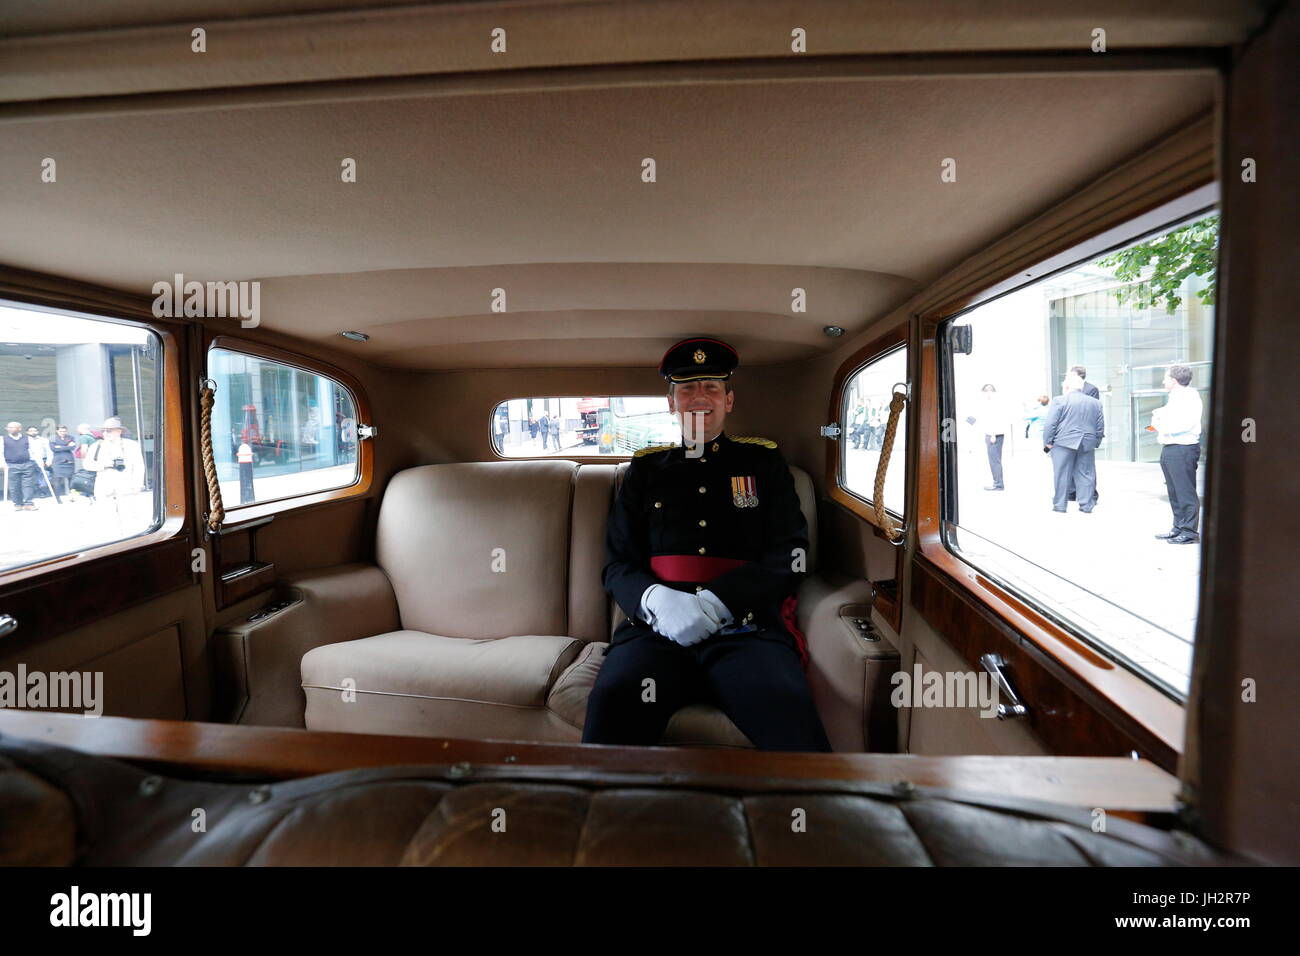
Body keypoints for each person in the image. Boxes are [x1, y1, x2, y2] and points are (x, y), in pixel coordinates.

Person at [582, 336, 832, 752]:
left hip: (746, 628)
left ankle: (810, 817)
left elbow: (792, 555)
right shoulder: (645, 470)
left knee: (788, 712)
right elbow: (617, 563)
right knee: (614, 700)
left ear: (729, 400)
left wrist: (717, 602)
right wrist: (657, 601)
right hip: (657, 631)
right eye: (687, 389)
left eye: (712, 387)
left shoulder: (763, 463)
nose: (700, 397)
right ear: (671, 403)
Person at [1151, 364, 1203, 544]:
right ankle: (1178, 527)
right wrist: (1160, 421)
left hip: (1183, 448)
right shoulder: (1176, 397)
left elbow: (1182, 424)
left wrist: (1160, 423)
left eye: (1165, 378)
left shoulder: (1189, 397)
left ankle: (1189, 532)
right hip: (1171, 447)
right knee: (1174, 491)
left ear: (1174, 381)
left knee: (1185, 491)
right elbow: (1161, 418)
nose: (1163, 381)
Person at [1042, 371, 1104, 513]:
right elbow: (1100, 425)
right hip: (1087, 443)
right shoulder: (1095, 403)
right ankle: (1086, 505)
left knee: (1062, 473)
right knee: (1086, 474)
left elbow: (1051, 423)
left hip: (1063, 442)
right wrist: (1096, 441)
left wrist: (1048, 442)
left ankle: (1060, 505)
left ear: (1068, 386)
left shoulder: (1059, 400)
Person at [84, 416, 145, 505]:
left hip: (127, 490)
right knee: (107, 518)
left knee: (129, 518)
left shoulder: (132, 445)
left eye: (109, 430)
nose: (105, 433)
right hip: (104, 490)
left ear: (119, 431)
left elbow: (139, 467)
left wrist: (138, 485)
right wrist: (104, 465)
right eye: (103, 431)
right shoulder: (96, 446)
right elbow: (87, 464)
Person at [1067, 365, 1102, 505]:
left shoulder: (1091, 389)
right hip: (1070, 434)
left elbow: (1093, 412)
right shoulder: (1069, 389)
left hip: (1085, 434)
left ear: (1076, 374)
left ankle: (1091, 495)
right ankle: (1072, 492)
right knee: (1071, 465)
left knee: (1086, 467)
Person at [969, 384, 1012, 490]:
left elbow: (994, 420)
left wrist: (992, 434)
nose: (984, 395)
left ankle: (998, 484)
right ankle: (997, 483)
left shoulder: (993, 403)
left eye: (984, 393)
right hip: (994, 434)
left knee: (994, 460)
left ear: (988, 392)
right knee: (995, 460)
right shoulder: (994, 403)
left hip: (994, 435)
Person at [2, 421, 39, 511]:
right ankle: (18, 503)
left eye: (13, 427)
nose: (10, 429)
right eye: (9, 427)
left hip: (27, 464)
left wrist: (39, 461)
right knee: (14, 486)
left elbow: (34, 451)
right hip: (11, 465)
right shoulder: (3, 439)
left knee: (28, 485)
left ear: (19, 428)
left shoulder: (27, 439)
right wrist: (2, 463)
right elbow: (0, 452)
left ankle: (28, 503)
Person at [48, 424, 78, 497]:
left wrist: (60, 447)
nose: (63, 433)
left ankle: (72, 496)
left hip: (69, 460)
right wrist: (67, 446)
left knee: (71, 478)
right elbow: (54, 449)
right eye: (61, 431)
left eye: (64, 431)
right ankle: (58, 497)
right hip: (58, 461)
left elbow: (73, 447)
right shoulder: (53, 438)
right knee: (57, 479)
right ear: (57, 431)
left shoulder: (70, 437)